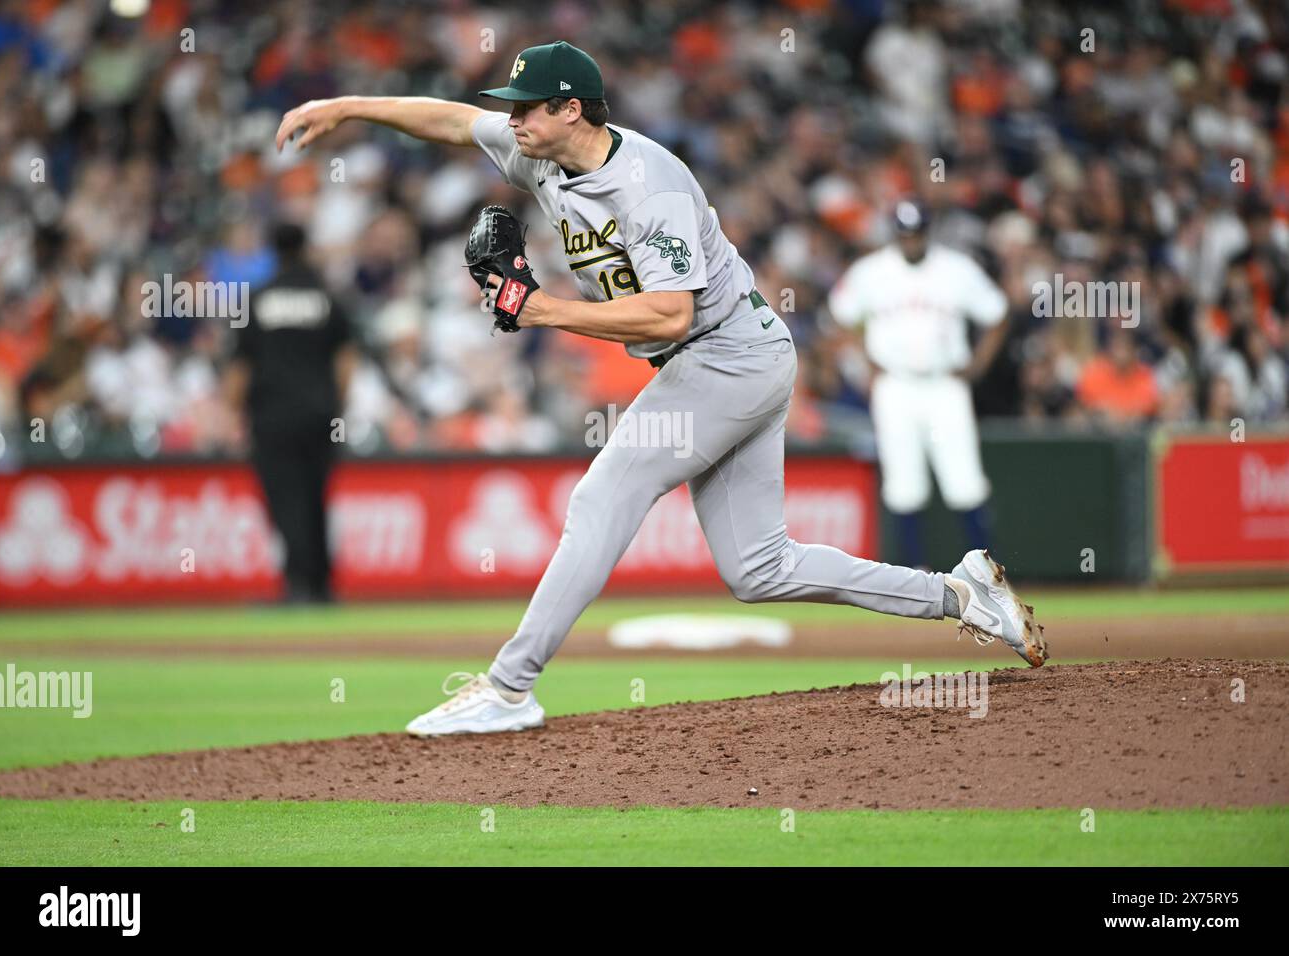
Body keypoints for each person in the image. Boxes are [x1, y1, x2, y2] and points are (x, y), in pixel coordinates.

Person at [275, 41, 1046, 736]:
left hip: (725, 352)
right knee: (760, 568)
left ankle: (509, 688)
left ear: (569, 109)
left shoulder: (649, 183)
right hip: (723, 359)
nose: (509, 121)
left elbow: (672, 315)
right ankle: (961, 594)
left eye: (524, 108)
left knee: (601, 496)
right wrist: (346, 107)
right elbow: (447, 120)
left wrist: (539, 308)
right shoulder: (537, 153)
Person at [827, 200, 1009, 568]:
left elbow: (997, 313)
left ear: (928, 231)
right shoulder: (871, 271)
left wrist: (977, 365)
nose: (911, 240)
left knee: (965, 479)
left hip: (945, 384)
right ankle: (915, 574)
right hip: (895, 385)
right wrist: (864, 362)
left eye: (917, 233)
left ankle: (988, 574)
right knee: (903, 484)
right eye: (904, 234)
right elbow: (839, 316)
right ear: (896, 234)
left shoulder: (956, 269)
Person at [223, 223, 356, 604]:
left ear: (274, 252)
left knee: (285, 498)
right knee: (316, 496)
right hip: (320, 415)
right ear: (305, 248)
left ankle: (298, 584)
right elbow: (346, 361)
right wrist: (335, 406)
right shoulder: (327, 298)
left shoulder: (258, 299)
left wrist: (232, 413)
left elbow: (240, 366)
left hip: (272, 416)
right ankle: (322, 585)